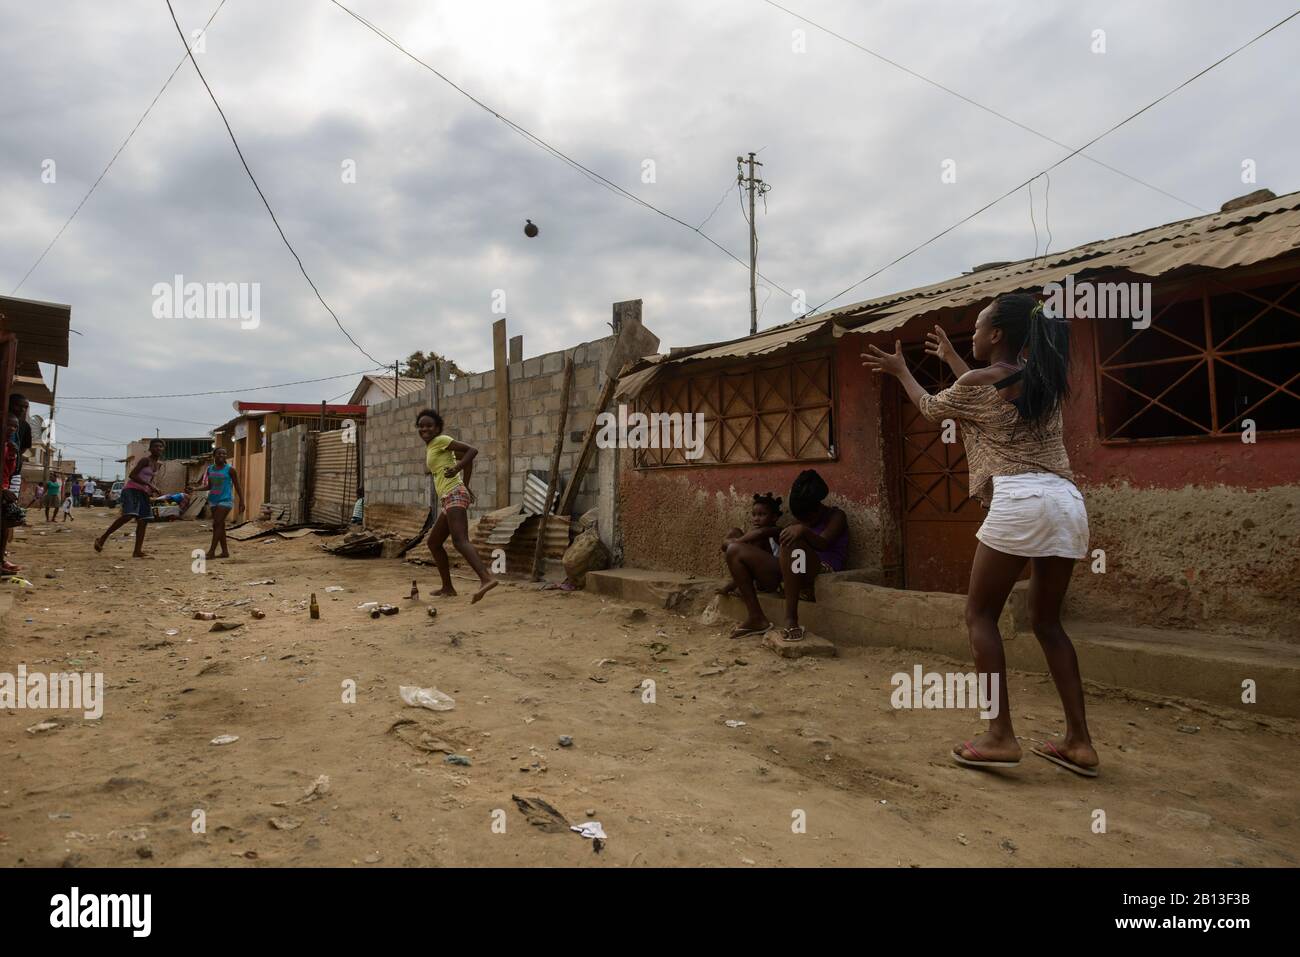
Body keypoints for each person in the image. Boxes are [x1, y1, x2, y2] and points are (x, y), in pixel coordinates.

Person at [862, 294, 1098, 778]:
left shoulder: (976, 382)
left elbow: (930, 408)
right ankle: (1079, 743)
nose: (971, 334)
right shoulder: (1042, 379)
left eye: (977, 327)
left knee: (980, 616)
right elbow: (986, 391)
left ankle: (999, 735)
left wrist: (900, 369)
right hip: (1066, 501)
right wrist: (952, 357)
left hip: (1019, 499)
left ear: (996, 336)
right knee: (1048, 623)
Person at [416, 409, 496, 603]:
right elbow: (466, 458)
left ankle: (487, 578)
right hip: (450, 496)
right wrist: (466, 485)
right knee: (434, 543)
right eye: (421, 426)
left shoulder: (441, 440)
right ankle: (448, 587)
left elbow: (472, 451)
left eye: (429, 425)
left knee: (460, 540)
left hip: (454, 494)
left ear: (437, 428)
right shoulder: (433, 446)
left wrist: (457, 470)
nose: (424, 429)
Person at [775, 469, 849, 642]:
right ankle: (755, 620)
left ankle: (791, 619)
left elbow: (823, 543)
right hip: (800, 569)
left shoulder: (836, 516)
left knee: (792, 545)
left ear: (818, 509)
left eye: (806, 519)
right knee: (739, 550)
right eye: (801, 519)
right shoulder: (801, 524)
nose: (804, 522)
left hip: (824, 569)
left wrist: (803, 531)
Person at [717, 492, 784, 638]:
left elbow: (758, 534)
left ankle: (741, 587)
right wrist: (733, 542)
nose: (756, 518)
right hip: (759, 575)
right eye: (754, 514)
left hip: (773, 579)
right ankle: (743, 585)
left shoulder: (776, 531)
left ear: (774, 517)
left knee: (745, 542)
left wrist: (733, 544)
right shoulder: (755, 532)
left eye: (762, 514)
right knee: (733, 532)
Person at [94, 438, 165, 558]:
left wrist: (151, 489)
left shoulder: (158, 465)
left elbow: (150, 479)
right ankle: (102, 538)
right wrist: (149, 485)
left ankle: (137, 551)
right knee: (128, 515)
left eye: (160, 447)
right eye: (155, 446)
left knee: (144, 521)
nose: (158, 448)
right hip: (131, 490)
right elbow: (132, 475)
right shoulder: (145, 460)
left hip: (143, 492)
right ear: (150, 449)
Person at [195, 447, 241, 559]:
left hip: (225, 500)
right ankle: (225, 552)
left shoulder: (230, 469)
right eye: (219, 453)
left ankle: (211, 552)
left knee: (216, 524)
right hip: (213, 500)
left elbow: (237, 486)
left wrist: (242, 501)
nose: (222, 455)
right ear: (214, 455)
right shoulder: (210, 469)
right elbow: (209, 486)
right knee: (220, 525)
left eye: (224, 454)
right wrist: (195, 489)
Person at [1, 412, 24, 574]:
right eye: (9, 424)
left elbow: (8, 472)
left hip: (5, 490)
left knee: (5, 527)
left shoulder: (9, 447)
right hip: (3, 490)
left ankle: (1, 560)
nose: (12, 429)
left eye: (15, 426)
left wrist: (11, 456)